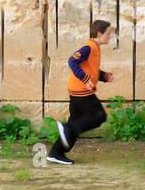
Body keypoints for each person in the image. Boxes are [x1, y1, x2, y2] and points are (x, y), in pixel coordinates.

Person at [47, 19, 114, 165]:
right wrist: (84, 79)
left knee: (75, 122)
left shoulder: (95, 48)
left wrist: (103, 76)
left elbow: (90, 68)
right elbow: (72, 61)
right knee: (99, 116)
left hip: (77, 90)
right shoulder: (88, 47)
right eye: (108, 33)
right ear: (99, 33)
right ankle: (67, 128)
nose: (110, 36)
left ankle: (55, 153)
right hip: (81, 91)